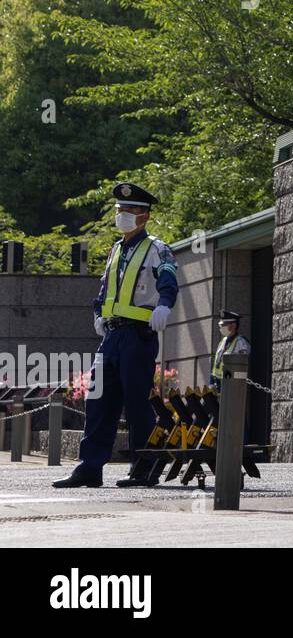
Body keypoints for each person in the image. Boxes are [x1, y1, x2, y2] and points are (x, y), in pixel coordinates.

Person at [53, 183, 177, 488]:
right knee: (98, 401)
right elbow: (105, 288)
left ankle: (144, 467)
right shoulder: (116, 249)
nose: (122, 215)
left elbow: (169, 280)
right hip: (111, 336)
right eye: (120, 210)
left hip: (138, 335)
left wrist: (164, 306)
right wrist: (98, 313)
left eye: (129, 211)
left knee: (137, 403)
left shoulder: (157, 248)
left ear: (144, 216)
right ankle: (90, 467)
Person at [209, 311, 250, 393]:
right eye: (221, 325)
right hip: (218, 384)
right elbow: (216, 363)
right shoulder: (222, 341)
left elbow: (243, 366)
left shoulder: (241, 342)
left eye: (224, 325)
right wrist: (211, 382)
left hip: (232, 385)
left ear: (233, 325)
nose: (221, 327)